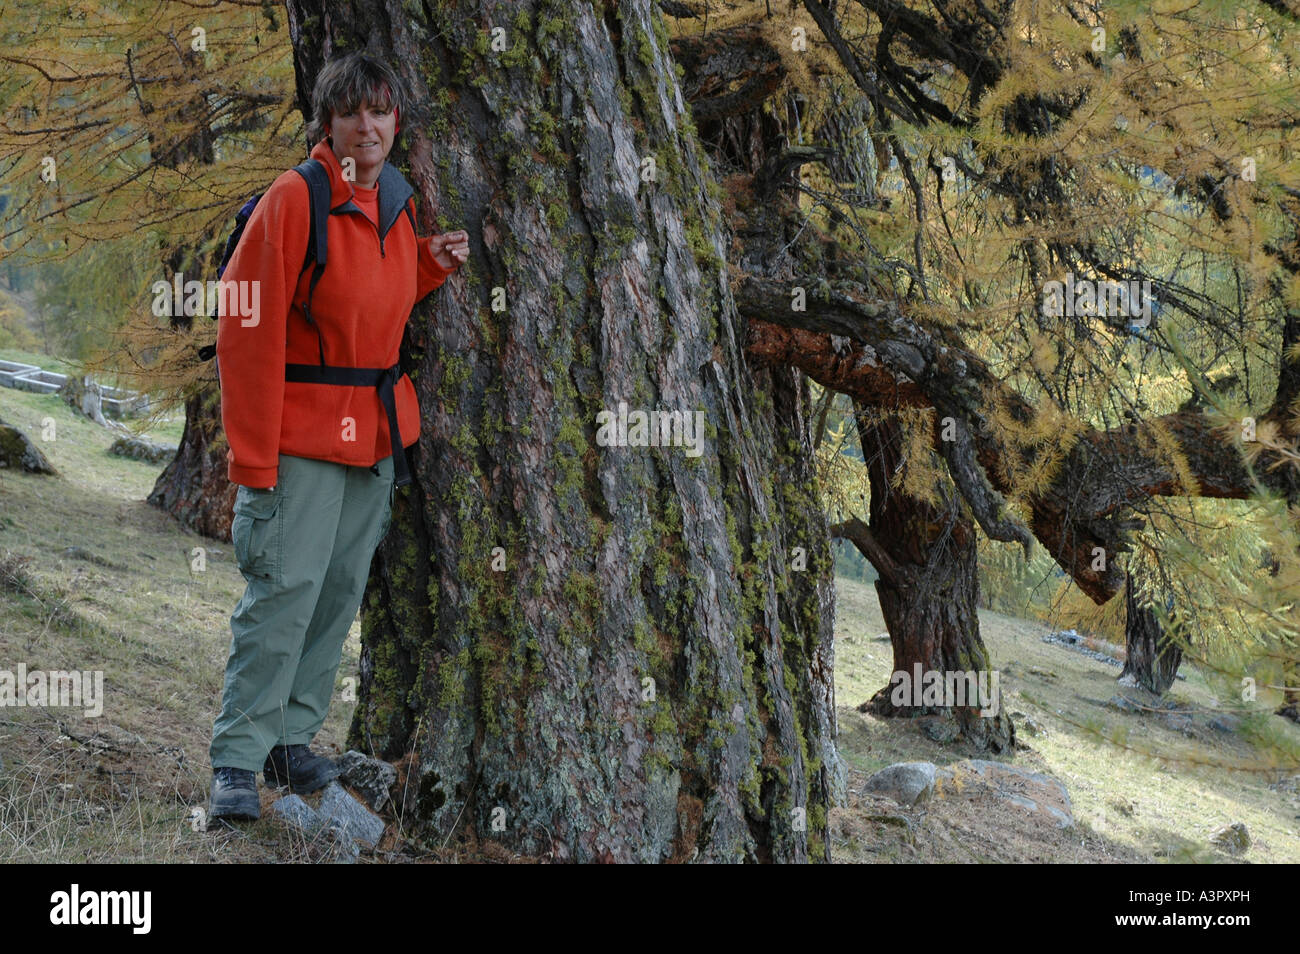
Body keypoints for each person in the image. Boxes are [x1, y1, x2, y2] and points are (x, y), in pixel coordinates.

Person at [207, 51, 469, 821]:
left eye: (379, 111)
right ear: (328, 122)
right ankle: (236, 760)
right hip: (299, 439)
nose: (367, 126)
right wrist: (253, 456)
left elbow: (368, 299)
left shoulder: (397, 200)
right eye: (351, 111)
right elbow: (245, 330)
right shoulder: (295, 198)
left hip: (374, 441)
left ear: (396, 121)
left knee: (337, 594)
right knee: (282, 594)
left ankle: (290, 742)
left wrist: (425, 267)